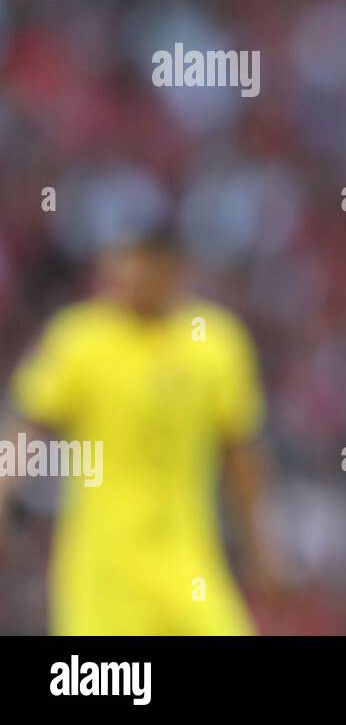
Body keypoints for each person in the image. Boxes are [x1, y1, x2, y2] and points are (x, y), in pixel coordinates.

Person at [0, 223, 279, 635]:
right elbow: (26, 427)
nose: (126, 274)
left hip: (188, 560)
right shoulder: (80, 340)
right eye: (119, 261)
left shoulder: (216, 343)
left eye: (139, 262)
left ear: (173, 269)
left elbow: (239, 452)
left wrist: (261, 544)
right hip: (102, 568)